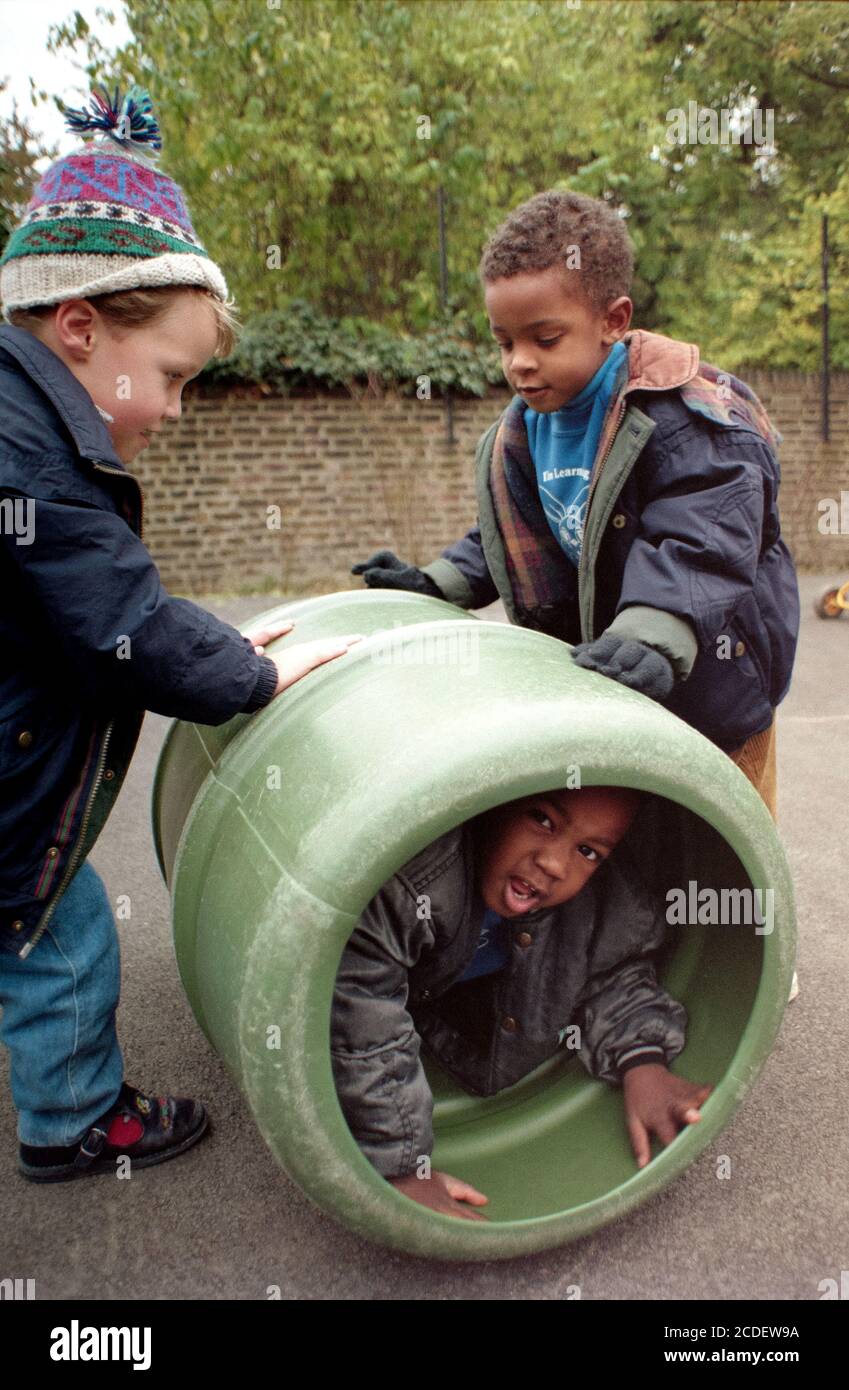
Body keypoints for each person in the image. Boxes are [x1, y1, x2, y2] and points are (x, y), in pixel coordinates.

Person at [0, 85, 360, 1182]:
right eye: (170, 376)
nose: (174, 405)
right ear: (80, 329)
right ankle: (75, 1120)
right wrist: (255, 673)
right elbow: (126, 621)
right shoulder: (29, 464)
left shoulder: (29, 427)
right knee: (58, 937)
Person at [351, 190, 800, 823]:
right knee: (630, 854)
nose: (520, 363)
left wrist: (654, 629)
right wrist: (437, 582)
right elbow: (514, 532)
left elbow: (704, 532)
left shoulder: (686, 413)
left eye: (545, 338)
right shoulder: (528, 427)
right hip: (613, 688)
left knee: (722, 846)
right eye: (504, 342)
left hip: (712, 693)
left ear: (614, 321)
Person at [331, 784, 712, 1222]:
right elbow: (361, 1005)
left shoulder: (587, 902)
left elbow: (607, 970)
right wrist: (401, 1166)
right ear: (492, 801)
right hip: (408, 995)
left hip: (464, 1004)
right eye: (543, 820)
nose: (553, 863)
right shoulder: (420, 887)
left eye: (588, 851)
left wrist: (642, 1060)